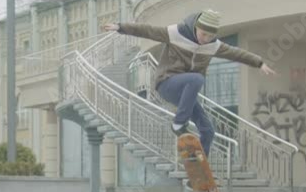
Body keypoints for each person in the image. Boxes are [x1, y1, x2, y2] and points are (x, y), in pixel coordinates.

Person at [103, 9, 276, 157]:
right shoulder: (175, 33)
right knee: (197, 78)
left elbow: (236, 53)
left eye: (210, 36)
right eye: (203, 34)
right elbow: (148, 31)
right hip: (167, 83)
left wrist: (259, 63)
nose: (205, 39)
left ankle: (200, 173)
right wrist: (120, 27)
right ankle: (178, 123)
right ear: (196, 28)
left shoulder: (213, 46)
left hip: (186, 93)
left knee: (208, 130)